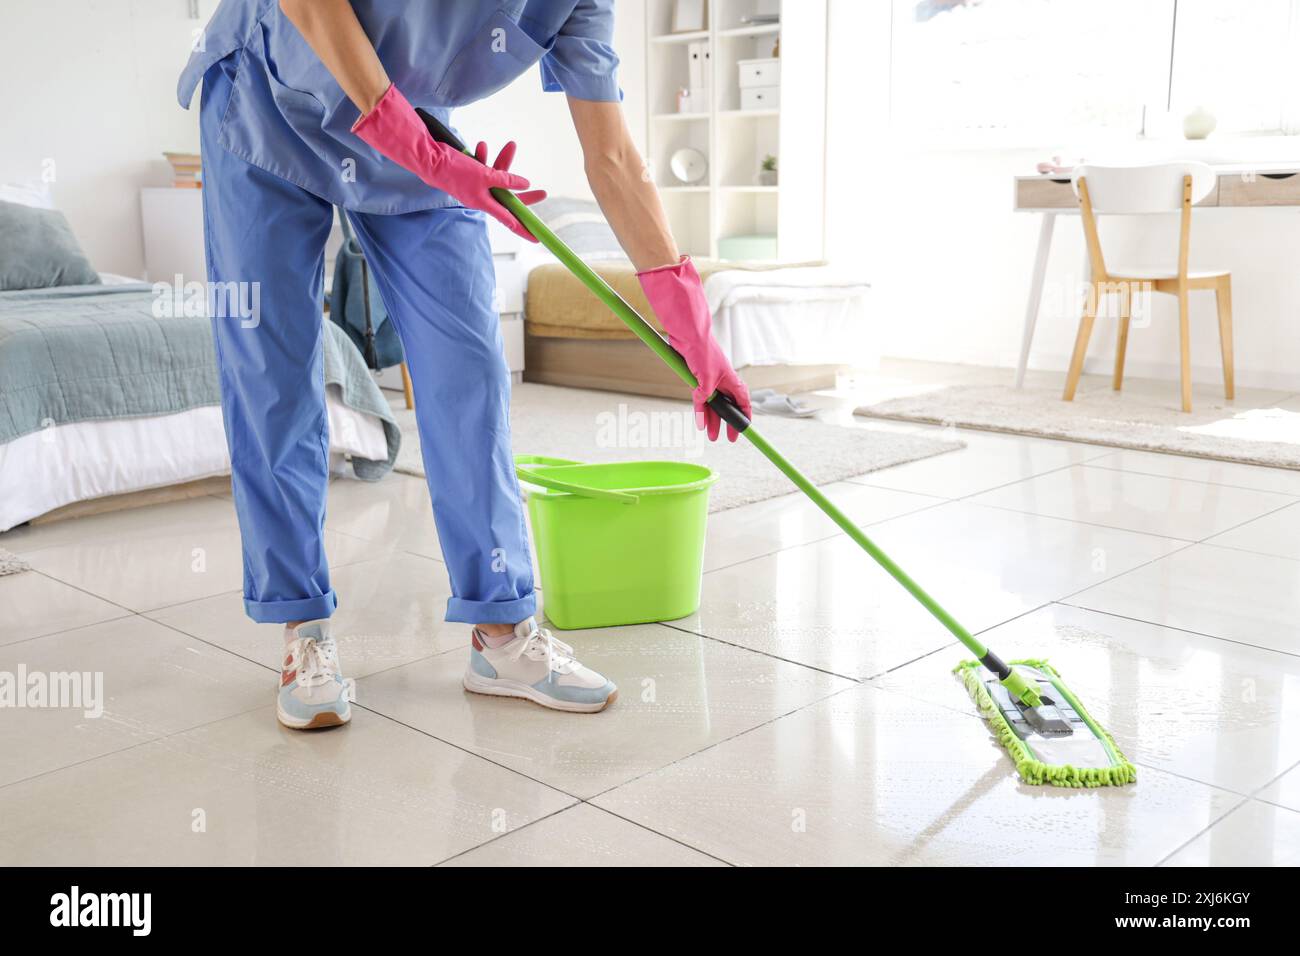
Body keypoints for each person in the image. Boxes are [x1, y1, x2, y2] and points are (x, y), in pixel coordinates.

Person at [178, 0, 752, 728]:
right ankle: (304, 630)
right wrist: (425, 154)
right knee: (274, 375)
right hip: (268, 99)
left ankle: (502, 632)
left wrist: (693, 332)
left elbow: (612, 157)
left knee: (469, 368)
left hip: (412, 127)